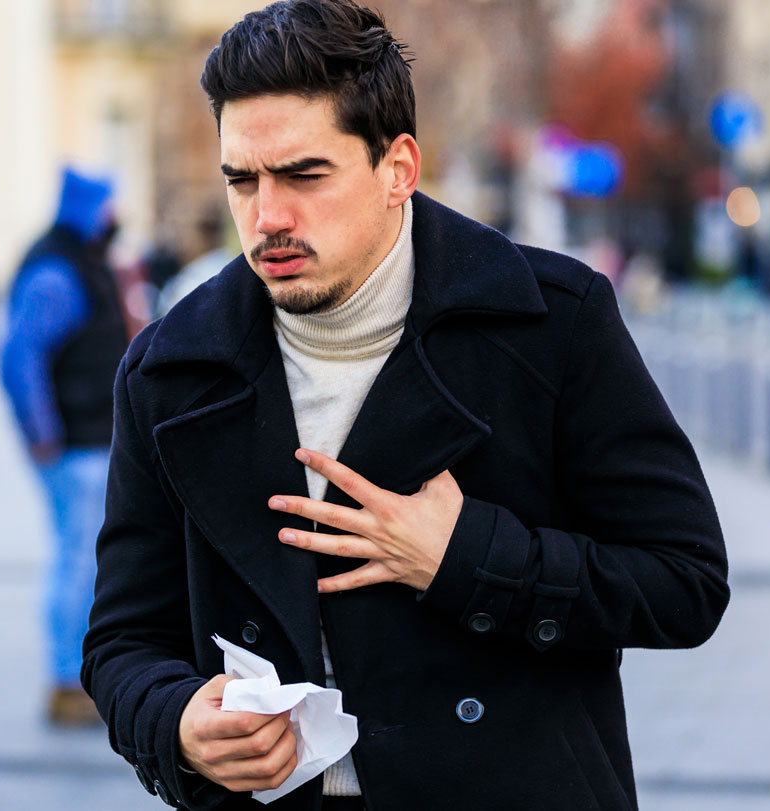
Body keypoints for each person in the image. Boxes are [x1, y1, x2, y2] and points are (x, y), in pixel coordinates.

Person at [81, 2, 729, 809]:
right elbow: (121, 640)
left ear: (399, 168)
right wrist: (176, 720)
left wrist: (469, 560)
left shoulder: (552, 323)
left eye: (304, 175)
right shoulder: (170, 371)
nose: (267, 216)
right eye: (242, 180)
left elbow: (685, 580)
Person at [1, 168, 128, 726]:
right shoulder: (58, 273)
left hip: (89, 440)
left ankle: (77, 676)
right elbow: (17, 357)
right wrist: (43, 432)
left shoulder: (79, 262)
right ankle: (66, 679)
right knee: (79, 562)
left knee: (84, 559)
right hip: (76, 446)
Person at [155, 209, 228, 317]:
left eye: (185, 229)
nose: (180, 237)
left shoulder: (212, 275)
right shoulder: (194, 271)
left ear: (205, 235)